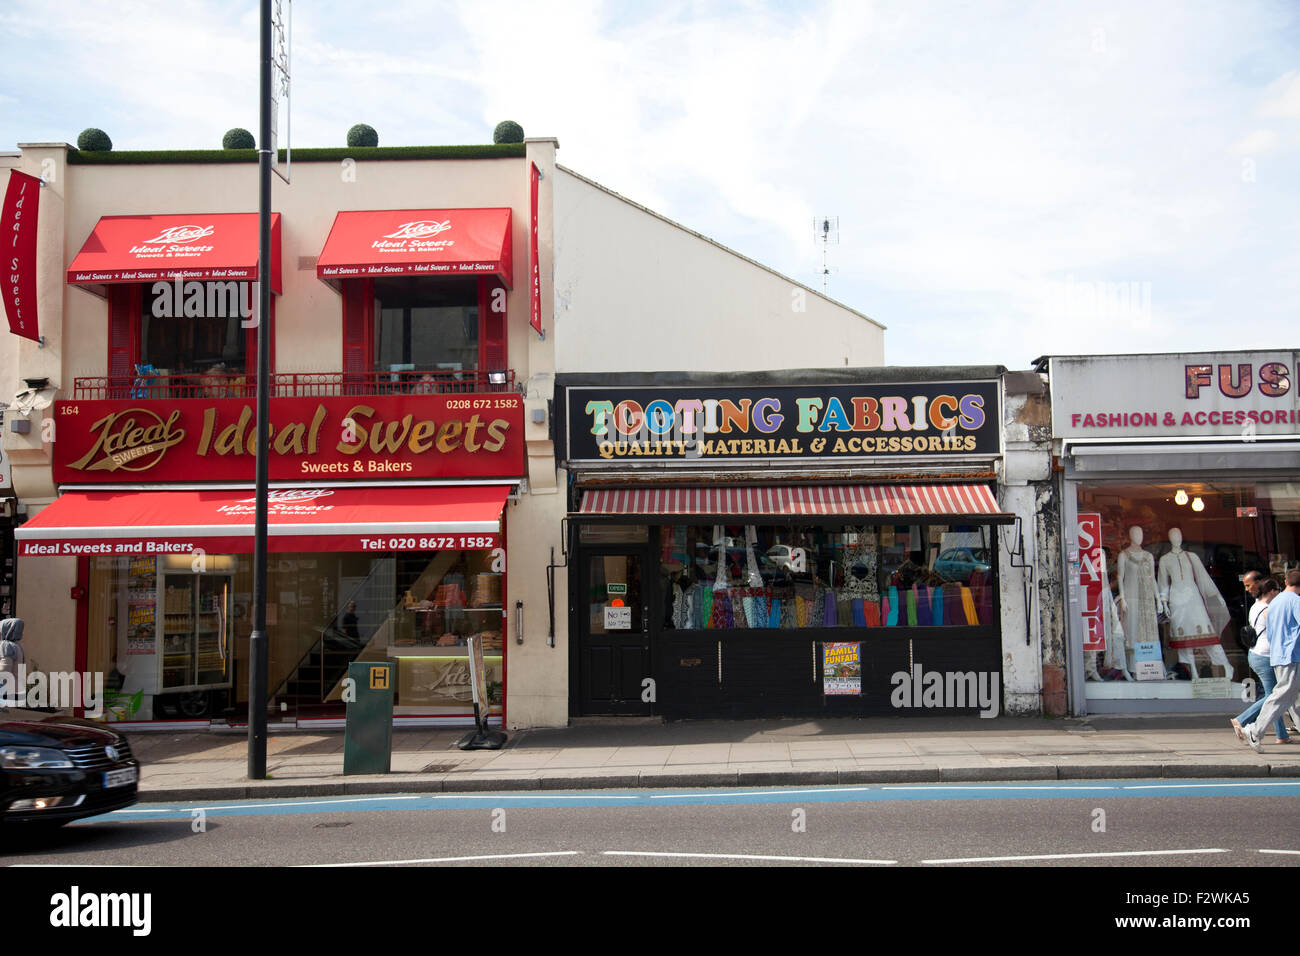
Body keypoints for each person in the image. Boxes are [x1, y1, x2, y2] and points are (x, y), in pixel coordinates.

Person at [1244, 570, 1300, 752]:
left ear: (1285, 581)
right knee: (1282, 695)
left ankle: (1255, 730)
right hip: (1292, 654)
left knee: (1291, 697)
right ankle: (1255, 730)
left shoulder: (1275, 602)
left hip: (1278, 654)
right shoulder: (1295, 602)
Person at [1231, 578, 1287, 743]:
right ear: (1272, 591)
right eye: (1278, 590)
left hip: (1256, 654)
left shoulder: (1255, 606)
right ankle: (1242, 719)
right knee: (1273, 697)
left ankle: (1282, 735)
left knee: (1274, 696)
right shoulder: (1268, 610)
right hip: (1265, 656)